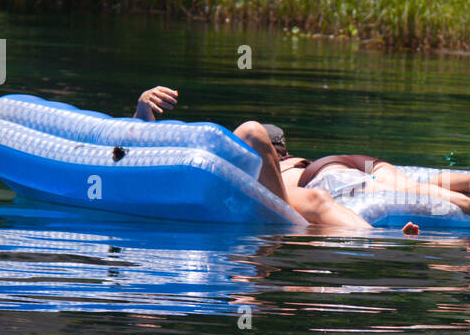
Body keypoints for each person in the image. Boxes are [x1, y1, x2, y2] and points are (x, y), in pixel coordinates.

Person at [134, 86, 420, 234]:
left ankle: (383, 239)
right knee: (252, 132)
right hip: (227, 189)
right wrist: (143, 106)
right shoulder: (225, 148)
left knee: (316, 200)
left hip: (261, 204)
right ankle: (385, 239)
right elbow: (134, 147)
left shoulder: (286, 175)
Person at [261, 124, 470, 235]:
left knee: (397, 191)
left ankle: (469, 205)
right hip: (355, 162)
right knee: (411, 186)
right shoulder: (293, 159)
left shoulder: (267, 168)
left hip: (325, 174)